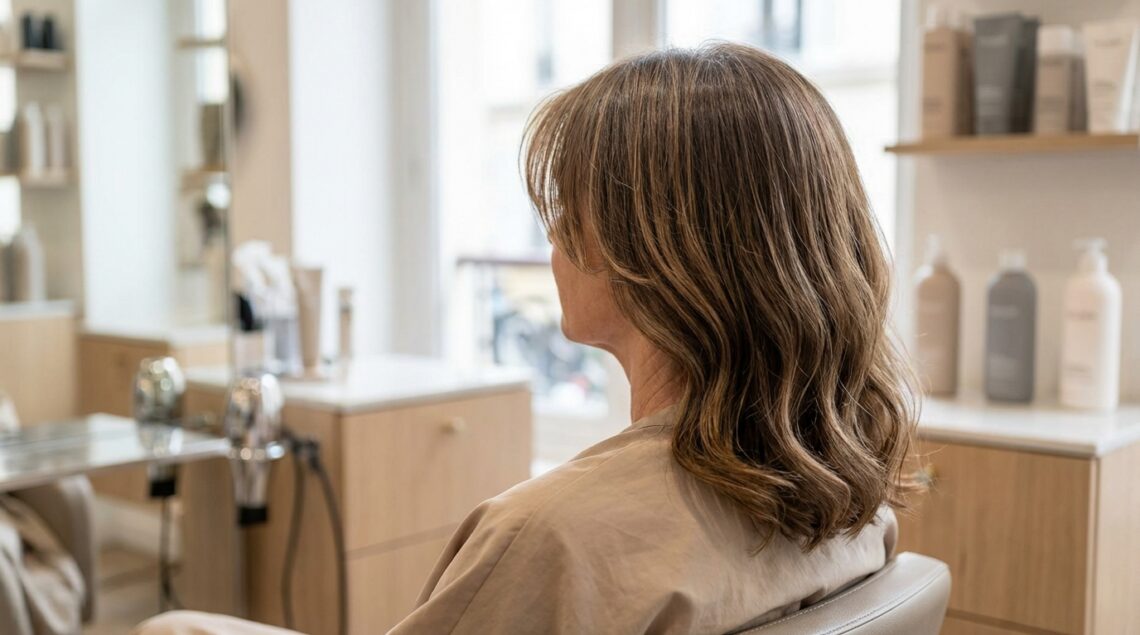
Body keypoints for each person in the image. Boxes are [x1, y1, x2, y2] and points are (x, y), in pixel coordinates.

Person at [135, 41, 915, 635]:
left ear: (642, 250)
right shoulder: (849, 499)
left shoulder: (554, 536)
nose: (554, 244)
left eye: (566, 215)